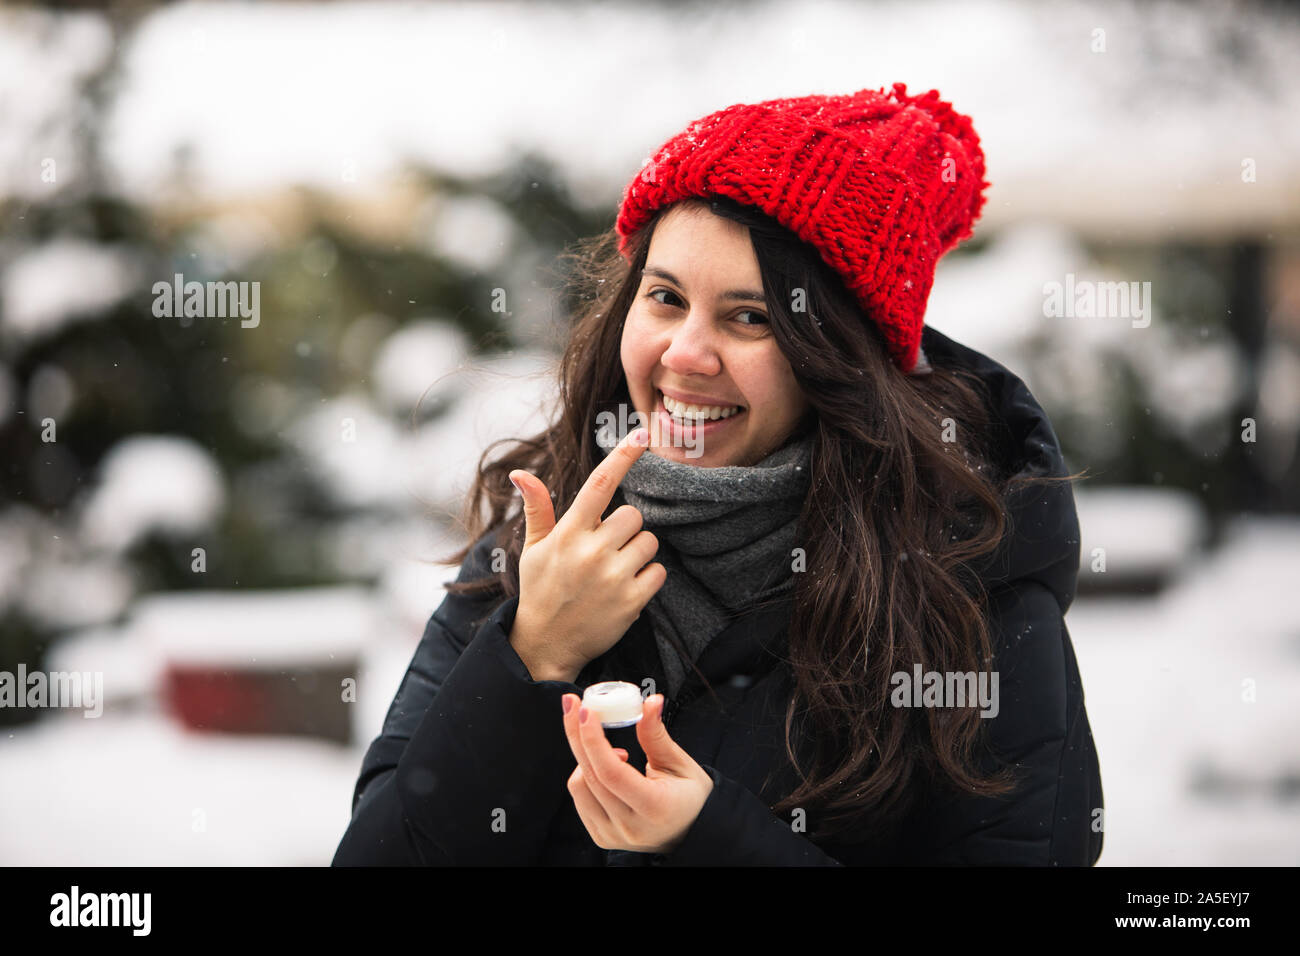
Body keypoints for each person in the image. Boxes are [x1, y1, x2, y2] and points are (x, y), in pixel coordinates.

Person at [332, 83, 1104, 866]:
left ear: (841, 360)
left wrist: (708, 838)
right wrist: (532, 652)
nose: (685, 355)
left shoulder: (972, 598)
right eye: (665, 298)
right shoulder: (542, 552)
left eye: (750, 317)